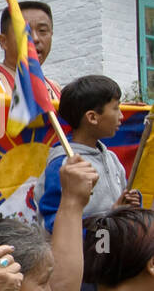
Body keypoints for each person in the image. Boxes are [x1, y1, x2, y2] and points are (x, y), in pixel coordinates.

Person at [38, 75, 142, 234]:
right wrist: (109, 221)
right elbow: (52, 223)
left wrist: (127, 205)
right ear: (92, 117)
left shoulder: (111, 158)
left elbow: (117, 209)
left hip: (110, 251)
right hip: (83, 255)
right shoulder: (65, 164)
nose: (121, 116)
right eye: (115, 108)